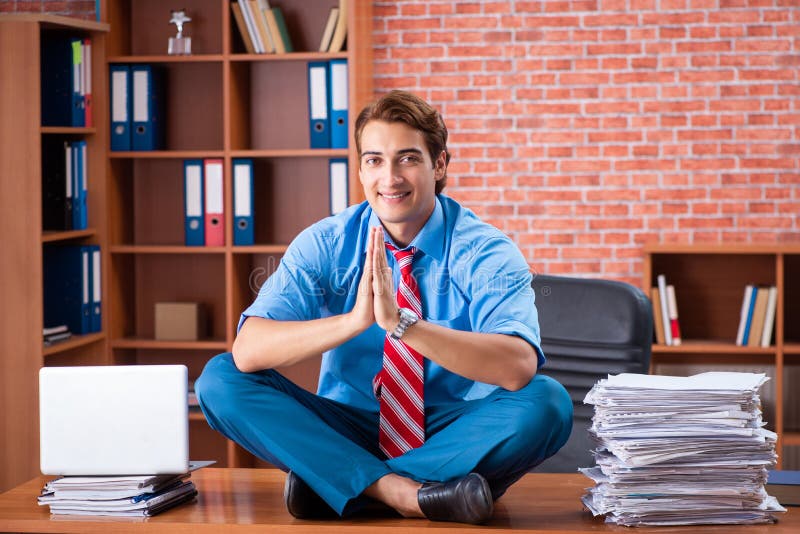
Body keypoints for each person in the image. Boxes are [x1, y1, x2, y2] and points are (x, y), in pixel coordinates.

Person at [195, 90, 573, 524]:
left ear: (440, 164)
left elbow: (518, 366)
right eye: (374, 160)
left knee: (548, 402)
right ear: (360, 170)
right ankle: (408, 493)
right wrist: (354, 321)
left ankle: (345, 484)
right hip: (348, 426)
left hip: (453, 433)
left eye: (407, 158)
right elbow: (249, 350)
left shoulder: (486, 251)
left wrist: (402, 325)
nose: (389, 178)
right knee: (220, 379)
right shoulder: (327, 242)